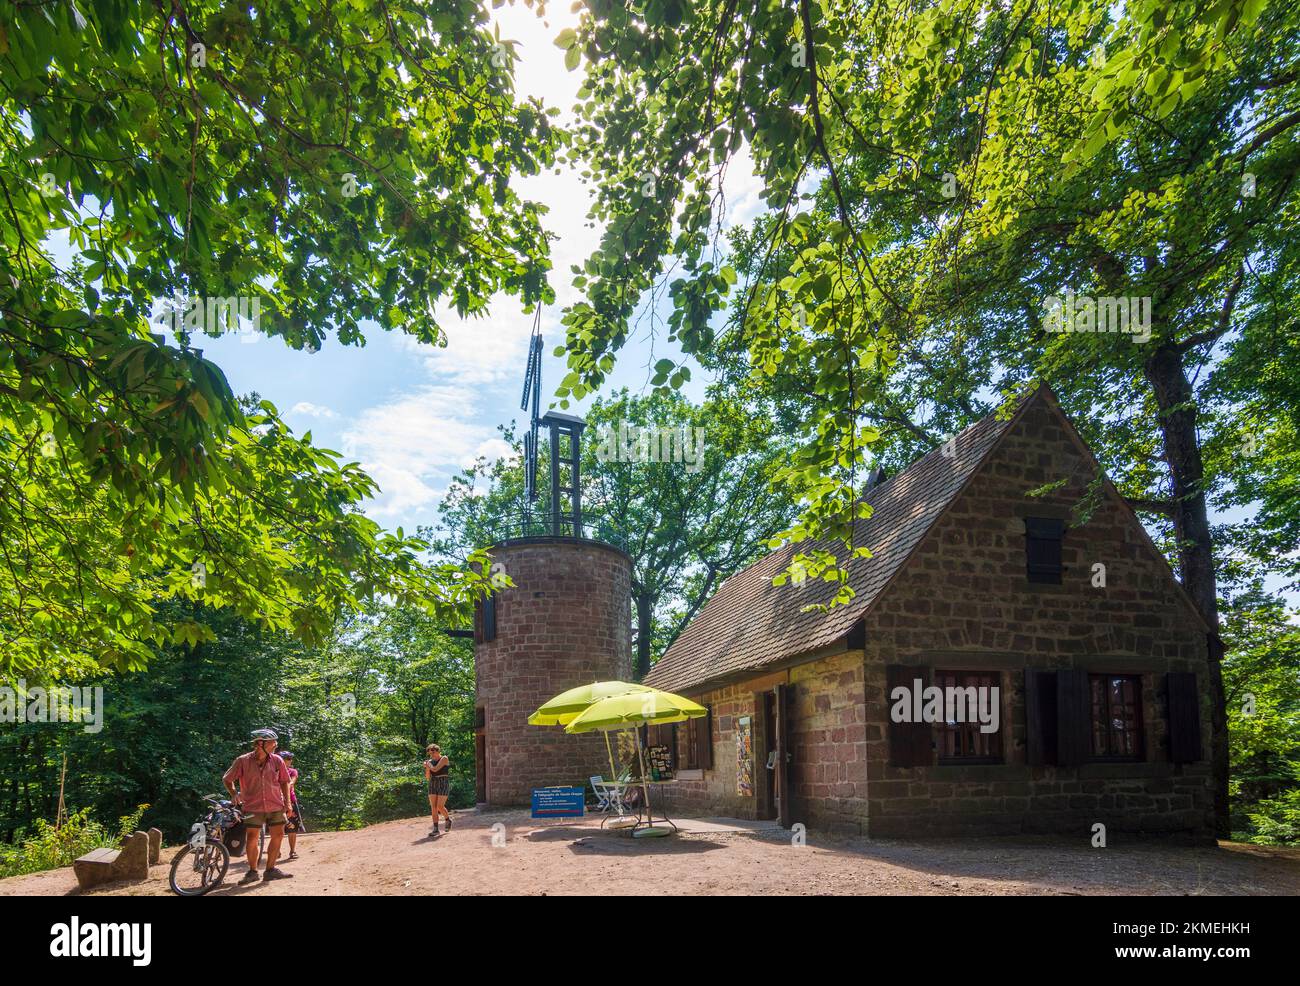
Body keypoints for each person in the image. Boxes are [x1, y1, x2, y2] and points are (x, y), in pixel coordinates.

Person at [223, 728, 295, 883]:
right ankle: (252, 872)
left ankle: (270, 870)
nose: (275, 745)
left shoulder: (277, 760)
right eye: (272, 742)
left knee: (278, 835)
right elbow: (227, 779)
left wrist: (288, 803)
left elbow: (285, 781)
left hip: (276, 804)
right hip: (252, 806)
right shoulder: (242, 761)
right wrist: (234, 793)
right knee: (252, 838)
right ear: (260, 743)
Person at [424, 743, 452, 836]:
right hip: (433, 783)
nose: (431, 754)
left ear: (438, 751)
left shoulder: (444, 758)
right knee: (433, 807)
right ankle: (435, 829)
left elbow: (435, 769)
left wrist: (428, 764)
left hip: (443, 782)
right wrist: (427, 768)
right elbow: (428, 777)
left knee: (440, 806)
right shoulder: (430, 762)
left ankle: (447, 819)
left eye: (433, 752)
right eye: (430, 753)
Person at [281, 750, 301, 860]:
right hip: (275, 802)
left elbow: (291, 782)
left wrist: (284, 786)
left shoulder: (292, 771)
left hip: (290, 801)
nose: (289, 760)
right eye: (287, 758)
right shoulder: (273, 771)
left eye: (290, 758)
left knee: (292, 827)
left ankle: (292, 851)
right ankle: (276, 850)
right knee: (276, 827)